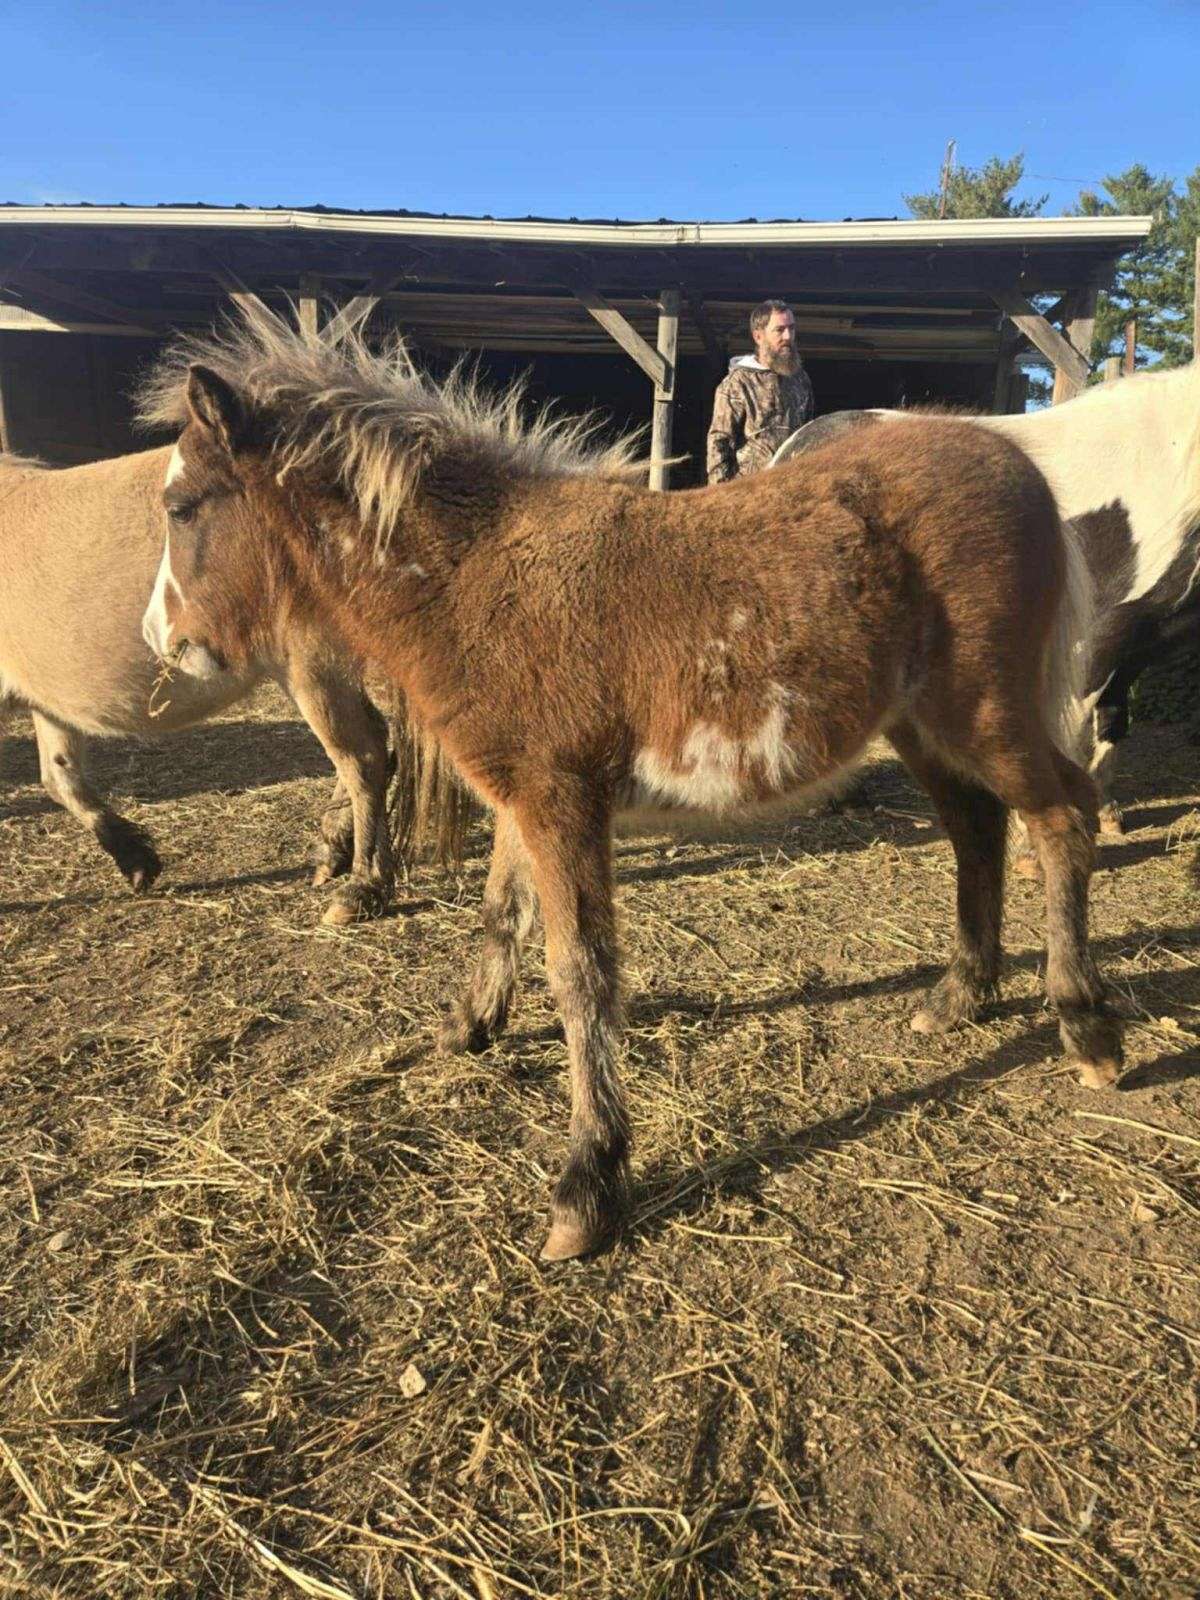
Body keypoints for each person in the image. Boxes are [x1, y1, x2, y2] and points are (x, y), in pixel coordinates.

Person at [706, 300, 814, 484]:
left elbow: (809, 435)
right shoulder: (737, 383)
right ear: (758, 336)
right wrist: (721, 496)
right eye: (779, 330)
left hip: (794, 488)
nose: (788, 336)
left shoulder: (800, 380)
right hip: (749, 493)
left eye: (791, 328)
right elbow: (719, 443)